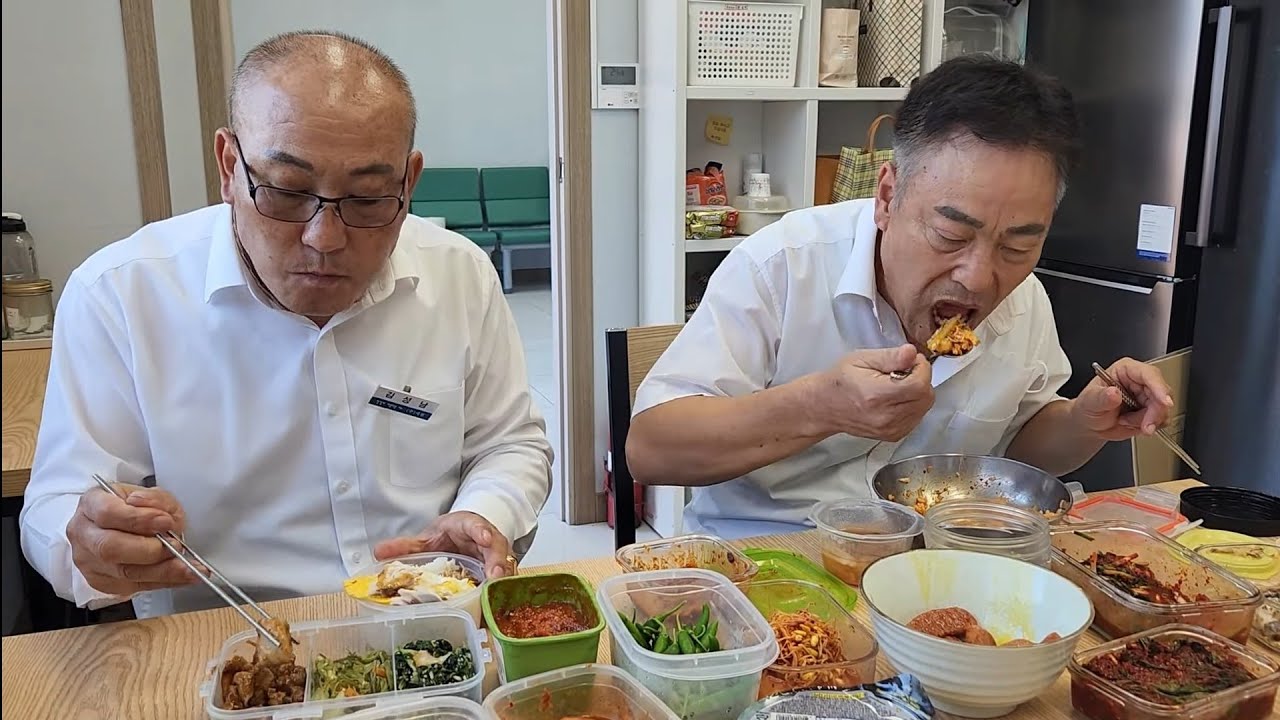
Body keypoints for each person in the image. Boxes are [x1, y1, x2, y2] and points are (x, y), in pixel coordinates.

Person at [20, 31, 552, 616]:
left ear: (409, 183)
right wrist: (90, 542)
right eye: (287, 191)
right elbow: (58, 502)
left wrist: (482, 512)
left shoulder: (458, 273)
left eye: (368, 198)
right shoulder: (122, 294)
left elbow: (510, 443)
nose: (324, 238)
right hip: (228, 636)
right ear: (229, 166)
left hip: (425, 617)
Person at [626, 56, 1174, 538]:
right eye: (951, 235)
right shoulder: (782, 265)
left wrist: (1082, 420)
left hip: (936, 560)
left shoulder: (1024, 301)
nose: (978, 278)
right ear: (887, 196)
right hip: (763, 553)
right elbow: (650, 450)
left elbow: (1019, 447)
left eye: (1018, 245)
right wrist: (819, 406)